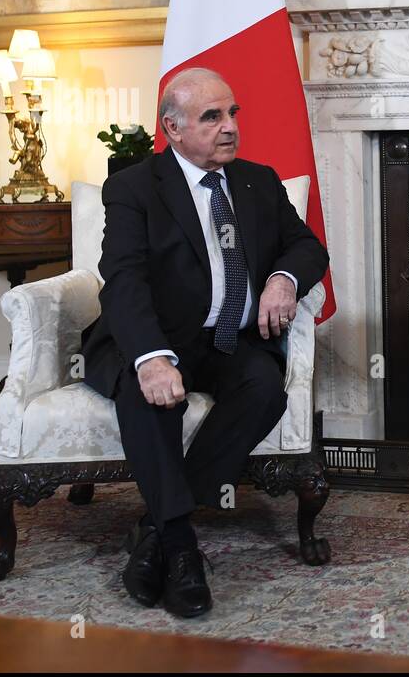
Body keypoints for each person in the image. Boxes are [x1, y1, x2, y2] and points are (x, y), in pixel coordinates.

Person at [80, 67, 329, 618]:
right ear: (173, 128)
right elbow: (123, 278)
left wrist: (283, 280)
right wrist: (151, 357)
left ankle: (156, 531)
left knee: (265, 386)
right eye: (212, 116)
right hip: (154, 336)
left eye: (232, 113)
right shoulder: (134, 188)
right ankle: (181, 547)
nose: (229, 127)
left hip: (227, 340)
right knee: (148, 393)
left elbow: (308, 249)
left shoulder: (258, 182)